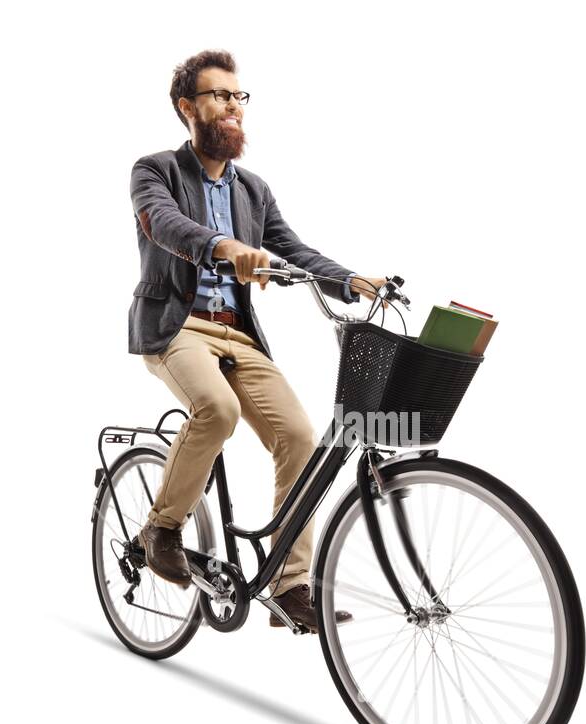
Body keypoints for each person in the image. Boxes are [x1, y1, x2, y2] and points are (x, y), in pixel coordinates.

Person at [126, 49, 390, 634]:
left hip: (237, 335)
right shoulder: (155, 171)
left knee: (299, 436)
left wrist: (350, 280)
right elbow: (165, 224)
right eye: (218, 96)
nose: (232, 107)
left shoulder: (254, 190)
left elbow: (292, 250)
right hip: (177, 328)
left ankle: (290, 585)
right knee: (215, 410)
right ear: (187, 108)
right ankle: (160, 529)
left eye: (238, 96)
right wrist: (224, 247)